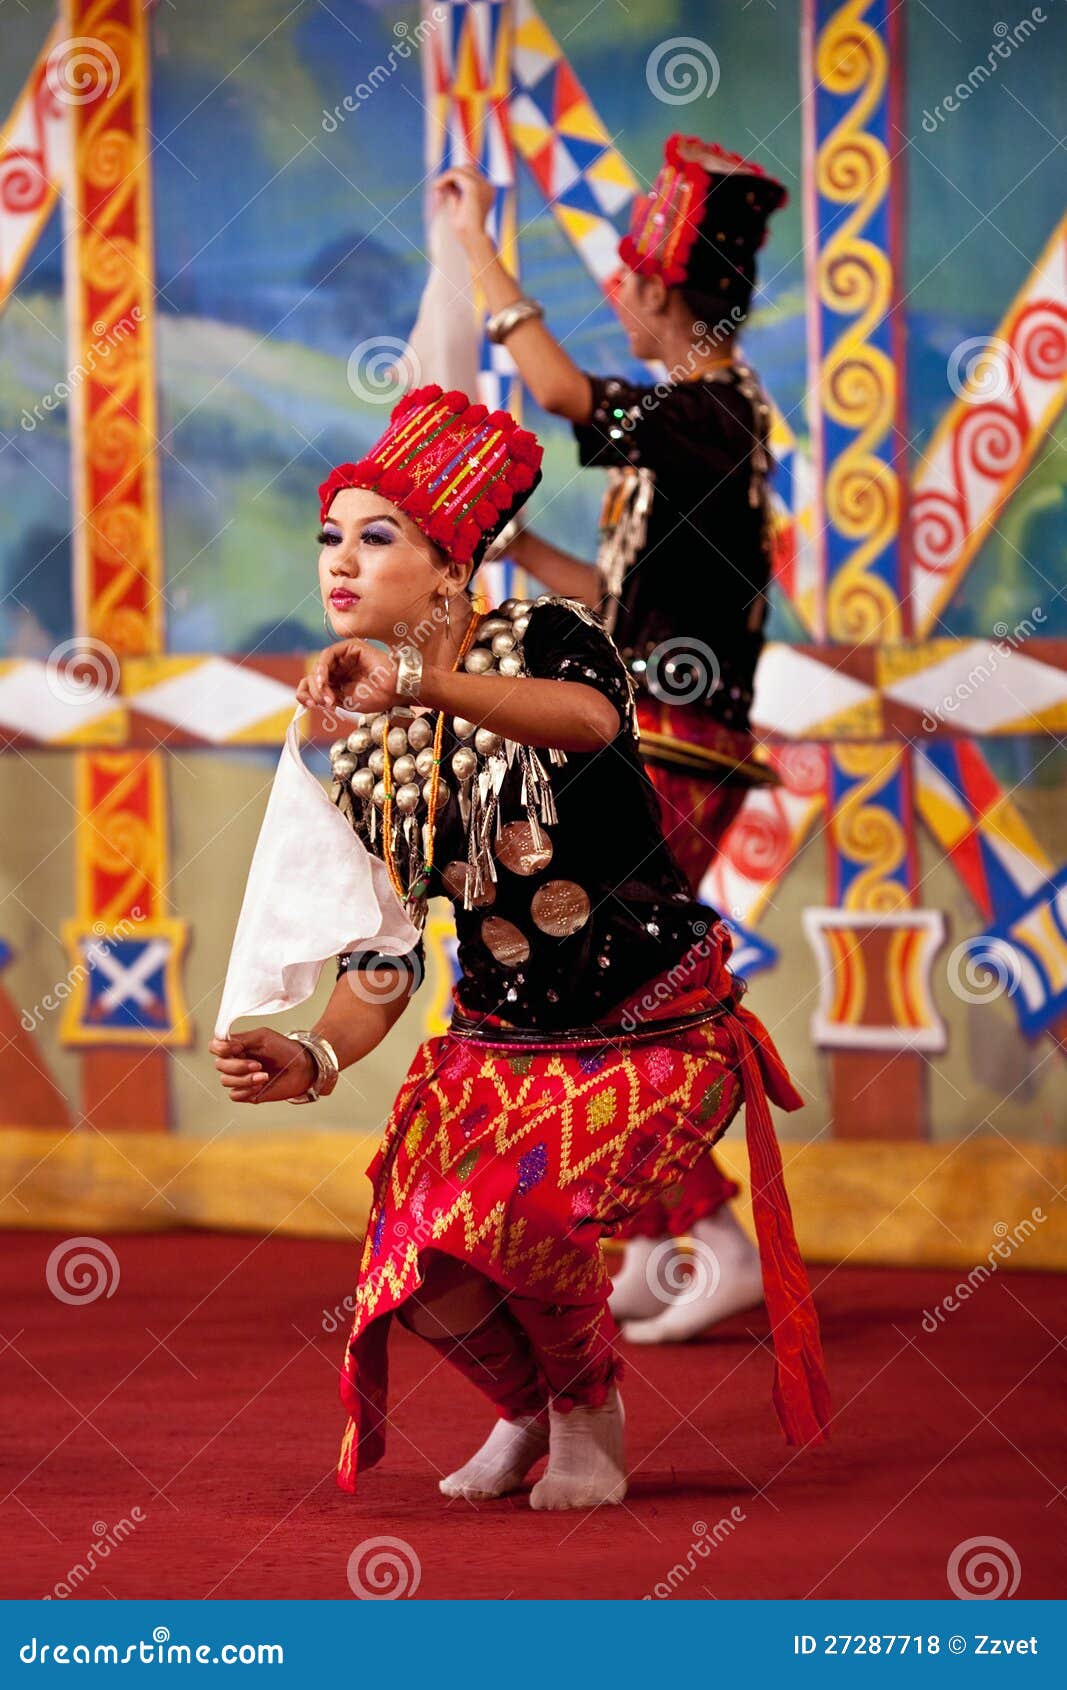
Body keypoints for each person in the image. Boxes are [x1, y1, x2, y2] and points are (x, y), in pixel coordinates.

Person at [209, 385, 829, 1510]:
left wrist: (418, 680)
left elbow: (588, 724)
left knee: (520, 1216)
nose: (338, 561)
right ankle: (526, 1409)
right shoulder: (372, 751)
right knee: (415, 1254)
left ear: (453, 566)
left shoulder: (551, 639)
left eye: (375, 537)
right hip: (497, 1044)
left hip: (649, 1027)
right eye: (328, 538)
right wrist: (315, 1054)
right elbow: (385, 958)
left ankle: (590, 1413)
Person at [438, 134, 788, 1344]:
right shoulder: (701, 427)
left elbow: (555, 391)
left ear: (658, 291)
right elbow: (621, 593)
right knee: (609, 979)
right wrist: (523, 555)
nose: (618, 307)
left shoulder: (703, 413)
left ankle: (713, 1239)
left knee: (604, 978)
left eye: (626, 288)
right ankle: (655, 1239)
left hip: (674, 744)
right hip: (666, 733)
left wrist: (472, 243)